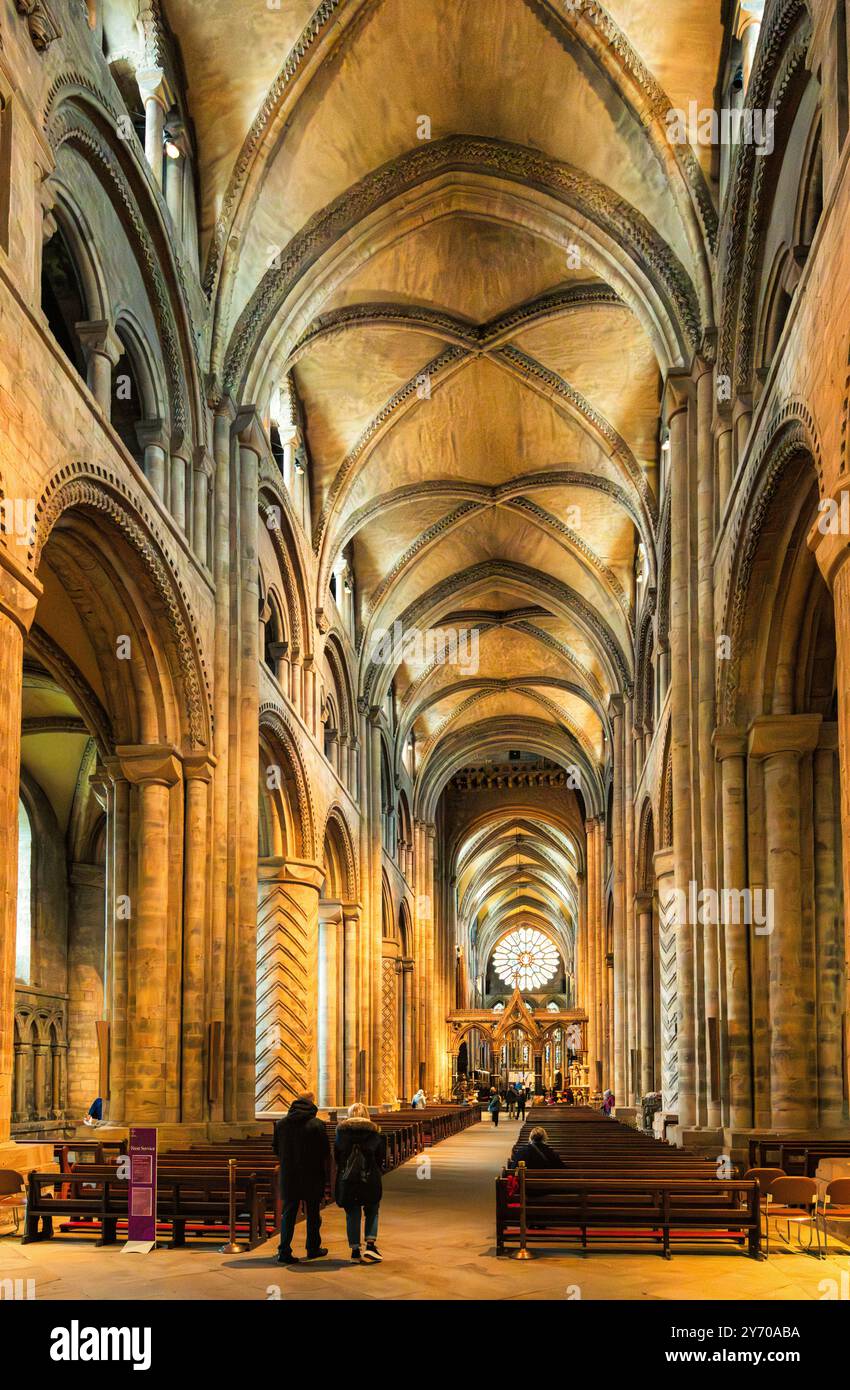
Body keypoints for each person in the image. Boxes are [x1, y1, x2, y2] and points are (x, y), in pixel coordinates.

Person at [273, 1091, 330, 1265]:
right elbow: (325, 1151)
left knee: (288, 1214)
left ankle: (284, 1251)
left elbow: (276, 1149)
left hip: (289, 1175)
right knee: (313, 1213)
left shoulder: (281, 1124)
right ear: (312, 1103)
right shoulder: (317, 1124)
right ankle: (313, 1248)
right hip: (312, 1174)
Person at [334, 1102, 387, 1264]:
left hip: (348, 1180)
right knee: (372, 1210)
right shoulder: (375, 1133)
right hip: (369, 1177)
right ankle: (370, 1245)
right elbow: (381, 1157)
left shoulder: (341, 1134)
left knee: (352, 1213)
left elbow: (337, 1157)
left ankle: (355, 1251)